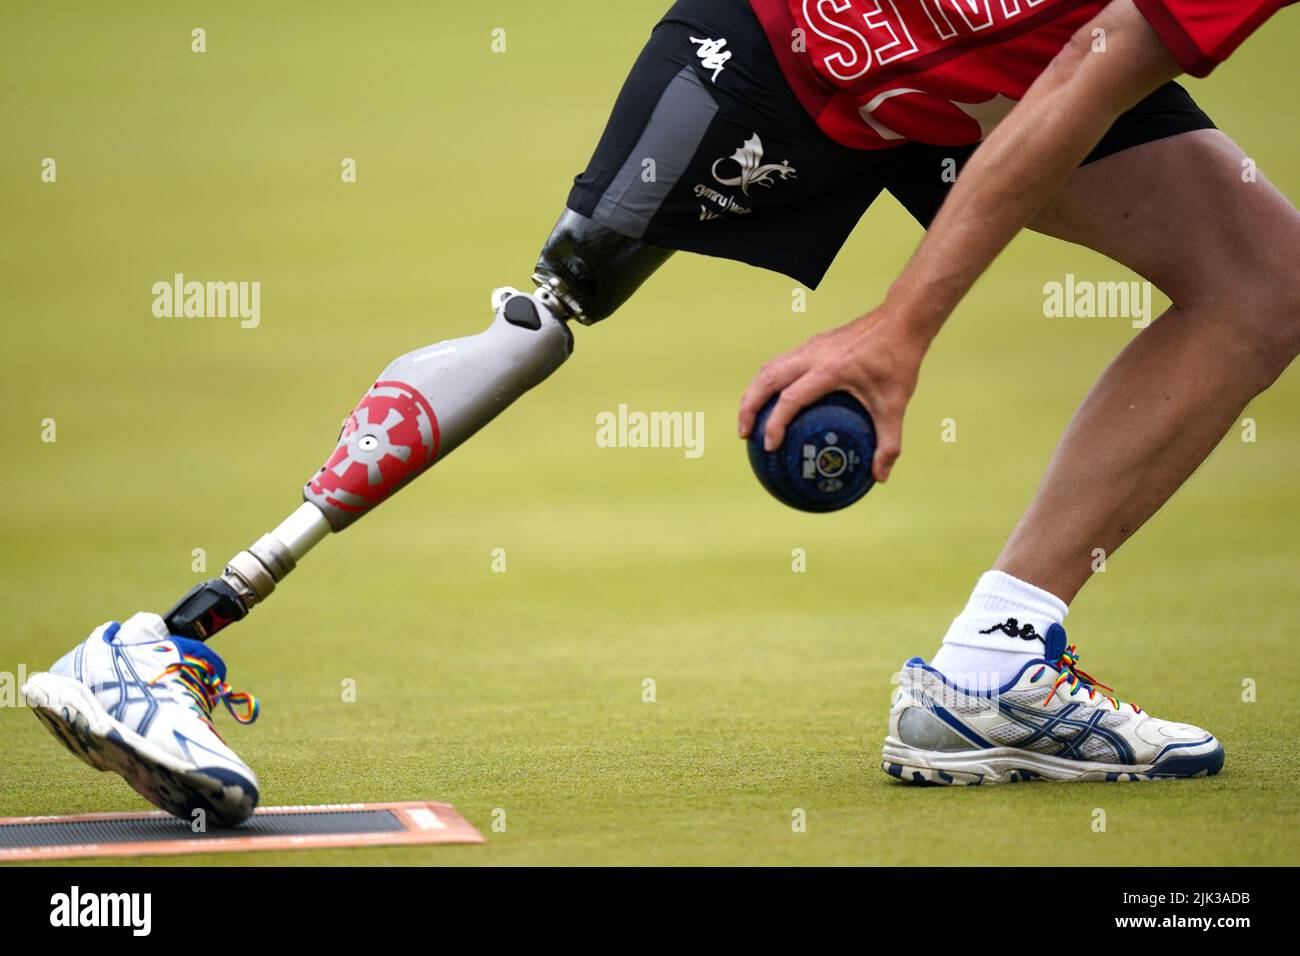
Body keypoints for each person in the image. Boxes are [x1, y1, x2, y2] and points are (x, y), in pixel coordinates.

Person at [24, 0, 1297, 823]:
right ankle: (158, 638)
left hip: (983, 74)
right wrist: (899, 326)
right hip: (781, 54)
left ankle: (995, 666)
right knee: (542, 320)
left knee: (1263, 283)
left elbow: (1088, 66)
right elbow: (1088, 72)